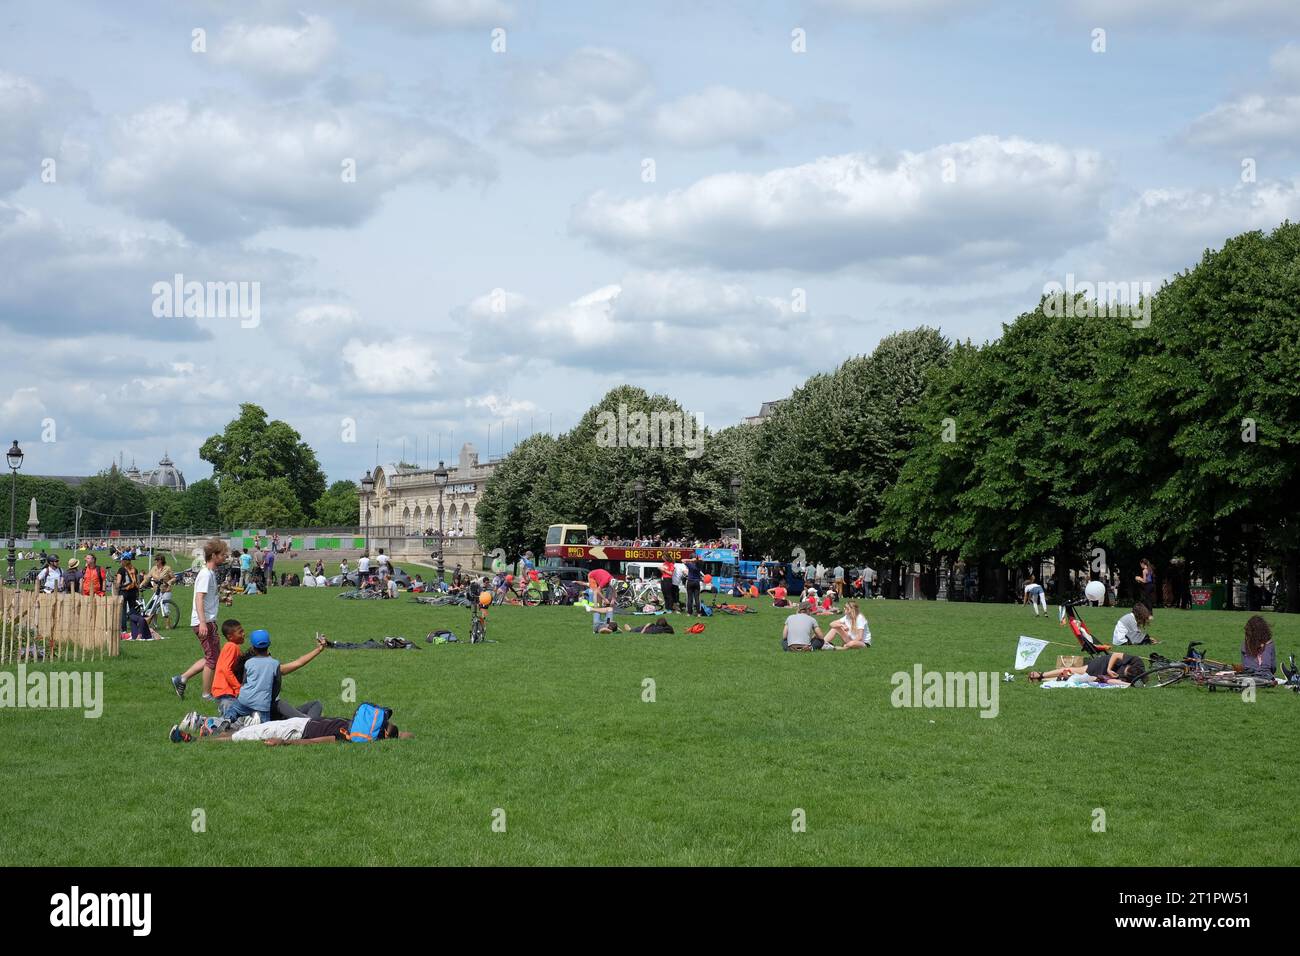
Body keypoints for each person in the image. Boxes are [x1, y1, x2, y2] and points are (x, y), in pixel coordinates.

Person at [224, 629, 327, 724]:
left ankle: (229, 719)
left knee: (315, 705)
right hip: (267, 708)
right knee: (311, 708)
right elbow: (297, 663)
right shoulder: (273, 665)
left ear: (253, 648)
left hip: (247, 704)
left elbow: (244, 683)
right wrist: (318, 649)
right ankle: (309, 723)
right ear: (268, 645)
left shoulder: (249, 664)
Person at [172, 538, 227, 701]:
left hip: (209, 621)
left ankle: (181, 679)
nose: (225, 558)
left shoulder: (210, 573)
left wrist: (222, 600)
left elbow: (208, 597)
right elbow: (199, 599)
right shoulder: (205, 574)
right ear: (214, 555)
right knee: (212, 658)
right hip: (204, 622)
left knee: (213, 657)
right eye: (223, 555)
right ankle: (206, 694)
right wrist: (203, 622)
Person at [1029, 651, 1145, 684]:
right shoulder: (1136, 661)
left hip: (1103, 676)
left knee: (1074, 677)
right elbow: (1115, 655)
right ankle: (1042, 674)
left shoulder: (1132, 678)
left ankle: (1042, 679)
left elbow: (1113, 681)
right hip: (1104, 664)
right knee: (1074, 672)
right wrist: (1109, 669)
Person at [210, 619, 246, 719]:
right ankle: (201, 722)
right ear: (230, 636)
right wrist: (238, 688)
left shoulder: (232, 647)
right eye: (240, 632)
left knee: (230, 720)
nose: (244, 634)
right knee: (228, 722)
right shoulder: (232, 646)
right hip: (226, 691)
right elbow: (226, 669)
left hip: (225, 691)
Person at [587, 568, 616, 633]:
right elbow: (597, 591)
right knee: (596, 593)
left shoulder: (613, 580)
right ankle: (596, 607)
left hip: (604, 624)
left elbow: (614, 590)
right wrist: (604, 599)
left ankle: (599, 610)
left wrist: (613, 600)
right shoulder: (605, 581)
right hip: (592, 576)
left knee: (608, 606)